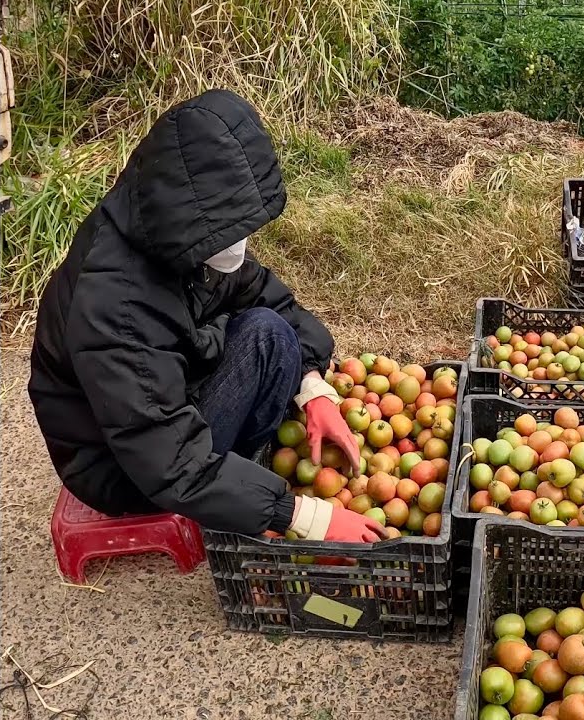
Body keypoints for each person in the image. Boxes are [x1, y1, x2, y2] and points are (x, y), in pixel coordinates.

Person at [28, 90, 385, 543]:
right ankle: (231, 490)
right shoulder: (118, 306)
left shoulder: (177, 238)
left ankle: (239, 477)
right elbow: (170, 460)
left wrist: (314, 391)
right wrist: (303, 516)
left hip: (152, 402)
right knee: (264, 345)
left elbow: (269, 299)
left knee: (270, 334)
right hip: (123, 467)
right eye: (232, 230)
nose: (240, 244)